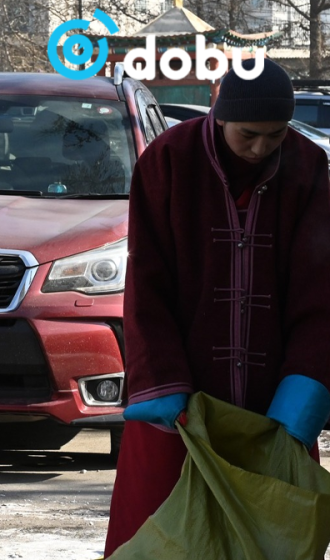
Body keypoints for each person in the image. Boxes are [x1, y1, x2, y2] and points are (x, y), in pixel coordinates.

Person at [104, 58, 330, 555]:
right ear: (219, 114)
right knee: (162, 539)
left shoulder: (309, 166)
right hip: (181, 405)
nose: (261, 148)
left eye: (274, 135)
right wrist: (164, 384)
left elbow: (320, 290)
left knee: (272, 537)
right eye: (249, 134)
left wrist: (304, 392)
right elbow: (147, 283)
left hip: (275, 404)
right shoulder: (167, 162)